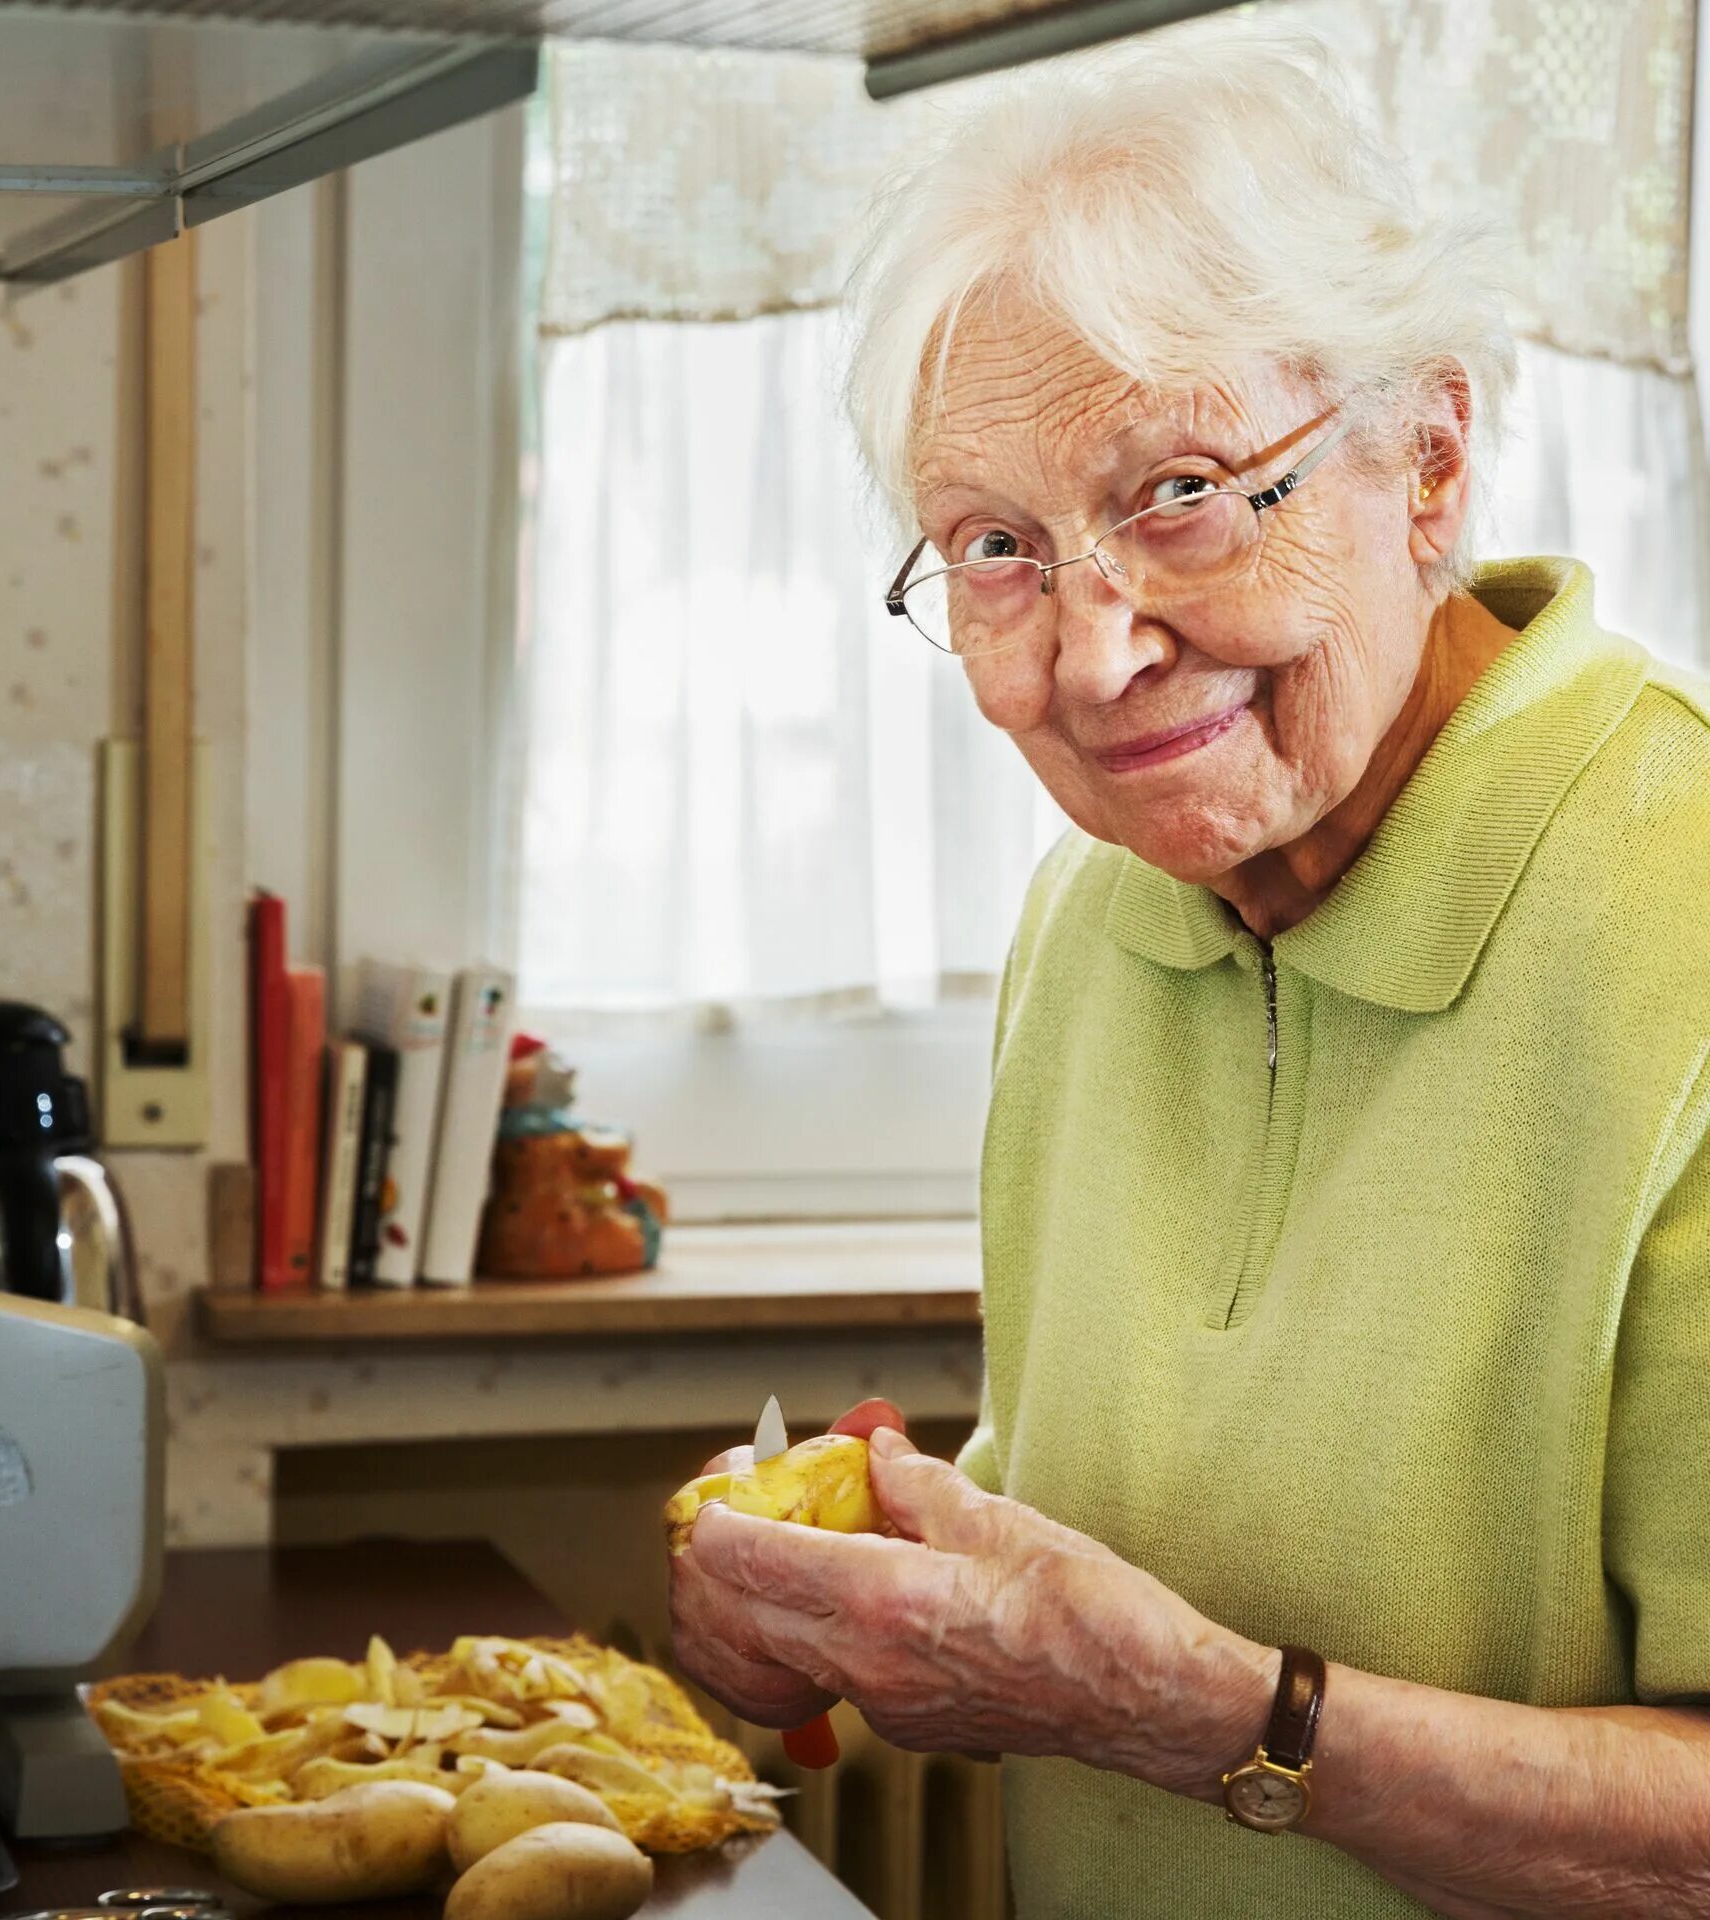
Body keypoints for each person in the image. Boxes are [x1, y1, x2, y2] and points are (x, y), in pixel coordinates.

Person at [666, 29, 1710, 1918]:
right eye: (995, 546)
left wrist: (1212, 1718)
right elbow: (1117, 1553)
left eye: (1185, 493)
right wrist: (879, 1593)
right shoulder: (1101, 917)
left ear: (1431, 463)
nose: (1092, 654)